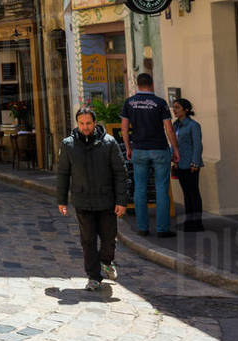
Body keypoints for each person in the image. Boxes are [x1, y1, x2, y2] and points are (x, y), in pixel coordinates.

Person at [56, 108, 127, 291]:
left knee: (109, 238)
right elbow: (63, 174)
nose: (85, 127)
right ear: (77, 123)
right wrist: (61, 200)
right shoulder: (68, 145)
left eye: (88, 123)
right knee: (87, 240)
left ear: (94, 123)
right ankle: (93, 277)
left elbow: (120, 173)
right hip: (83, 200)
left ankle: (106, 261)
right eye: (81, 123)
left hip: (106, 200)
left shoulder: (109, 143)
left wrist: (121, 201)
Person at [120, 73, 181, 238]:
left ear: (137, 85)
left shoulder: (129, 103)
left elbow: (124, 128)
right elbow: (169, 128)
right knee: (162, 188)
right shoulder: (160, 103)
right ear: (151, 84)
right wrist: (175, 149)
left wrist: (127, 147)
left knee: (140, 188)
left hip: (139, 149)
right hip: (159, 149)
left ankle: (142, 227)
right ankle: (162, 229)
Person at [171, 98, 204, 232]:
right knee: (186, 194)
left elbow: (198, 146)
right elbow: (174, 144)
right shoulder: (175, 125)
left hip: (191, 164)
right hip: (180, 164)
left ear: (186, 110)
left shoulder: (193, 125)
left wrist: (195, 162)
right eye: (174, 107)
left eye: (177, 107)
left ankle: (197, 223)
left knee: (193, 193)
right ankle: (188, 222)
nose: (174, 110)